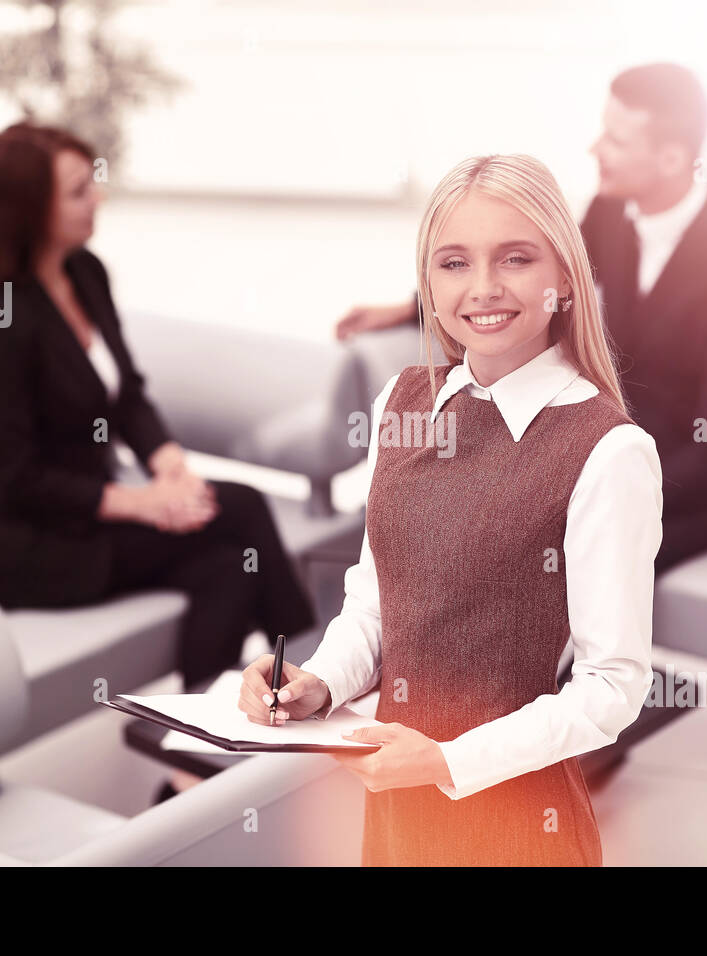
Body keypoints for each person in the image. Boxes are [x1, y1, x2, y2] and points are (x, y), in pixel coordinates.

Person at [333, 64, 707, 768]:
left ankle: (582, 727)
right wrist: (405, 307)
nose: (596, 150)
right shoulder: (610, 215)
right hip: (624, 440)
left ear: (673, 158)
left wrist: (582, 478)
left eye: (616, 140)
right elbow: (503, 278)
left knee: (566, 543)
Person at [238, 154, 664, 866]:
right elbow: (375, 608)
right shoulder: (401, 403)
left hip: (517, 819)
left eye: (516, 258)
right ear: (427, 285)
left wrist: (446, 762)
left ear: (564, 276)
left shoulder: (608, 450)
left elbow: (612, 686)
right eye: (454, 262)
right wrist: (319, 683)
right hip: (398, 805)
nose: (484, 288)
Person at [0, 122, 317, 801]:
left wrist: (168, 463)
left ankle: (187, 772)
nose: (95, 197)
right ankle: (309, 682)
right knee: (239, 507)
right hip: (34, 546)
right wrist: (142, 503)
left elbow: (127, 397)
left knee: (224, 567)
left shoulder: (85, 274)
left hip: (93, 513)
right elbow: (18, 476)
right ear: (29, 207)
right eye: (75, 191)